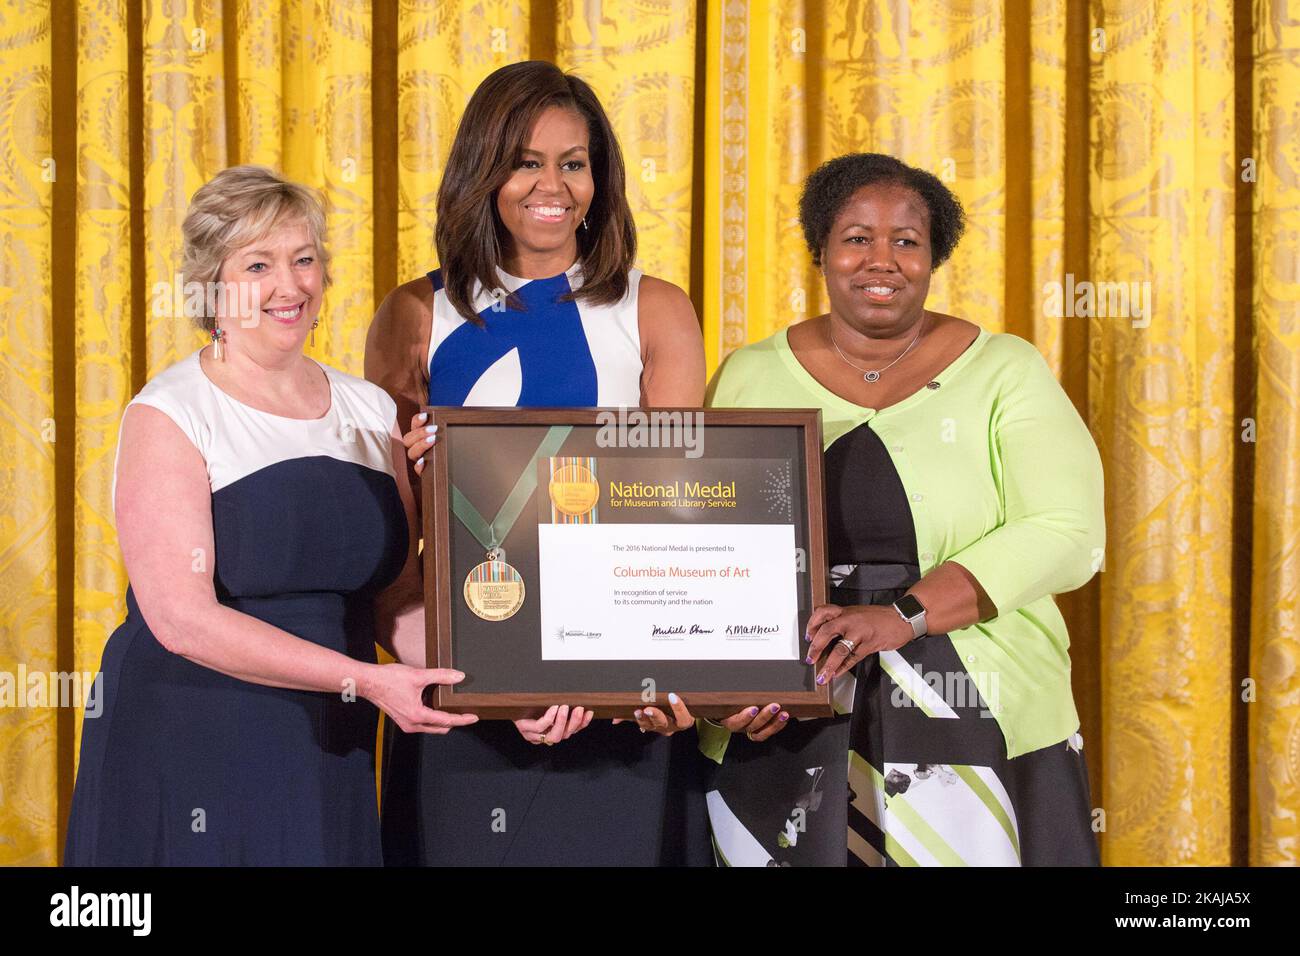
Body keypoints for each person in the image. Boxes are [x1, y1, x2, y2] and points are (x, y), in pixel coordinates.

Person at [366, 60, 785, 866]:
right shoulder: (415, 313)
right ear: (482, 171)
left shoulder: (655, 307)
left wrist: (667, 685)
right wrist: (491, 684)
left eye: (573, 161)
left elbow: (681, 524)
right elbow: (392, 554)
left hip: (617, 704)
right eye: (525, 160)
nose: (551, 184)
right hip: (464, 697)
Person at [64, 166, 475, 866]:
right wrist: (369, 681)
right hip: (192, 733)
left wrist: (505, 690)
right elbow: (181, 620)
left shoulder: (370, 411)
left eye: (304, 259)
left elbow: (397, 599)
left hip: (330, 741)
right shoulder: (170, 413)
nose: (290, 286)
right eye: (259, 264)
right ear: (210, 286)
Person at [705, 153, 1105, 866]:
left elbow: (1068, 532)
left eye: (906, 241)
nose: (880, 260)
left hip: (975, 702)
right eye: (857, 237)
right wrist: (727, 689)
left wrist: (900, 616)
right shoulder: (750, 372)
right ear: (821, 249)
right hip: (792, 699)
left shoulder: (1004, 369)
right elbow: (705, 547)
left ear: (934, 255)